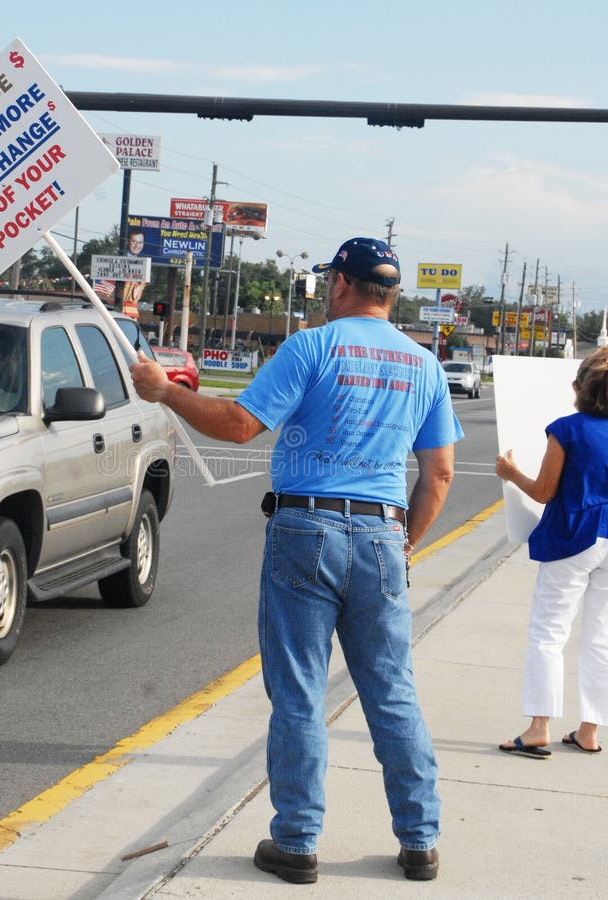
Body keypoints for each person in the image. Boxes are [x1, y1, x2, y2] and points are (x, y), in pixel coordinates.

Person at [130, 237, 463, 884]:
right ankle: (419, 838)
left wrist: (165, 391)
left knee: (299, 693)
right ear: (389, 293)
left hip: (303, 525)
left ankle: (296, 839)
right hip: (379, 534)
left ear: (340, 283)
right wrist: (406, 544)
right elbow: (440, 473)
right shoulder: (423, 365)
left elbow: (235, 425)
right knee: (391, 691)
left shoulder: (312, 347)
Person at [497, 346, 608, 759]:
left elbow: (544, 492)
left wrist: (511, 474)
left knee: (549, 633)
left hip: (573, 537)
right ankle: (589, 730)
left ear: (578, 387)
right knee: (600, 638)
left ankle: (539, 726)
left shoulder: (566, 429)